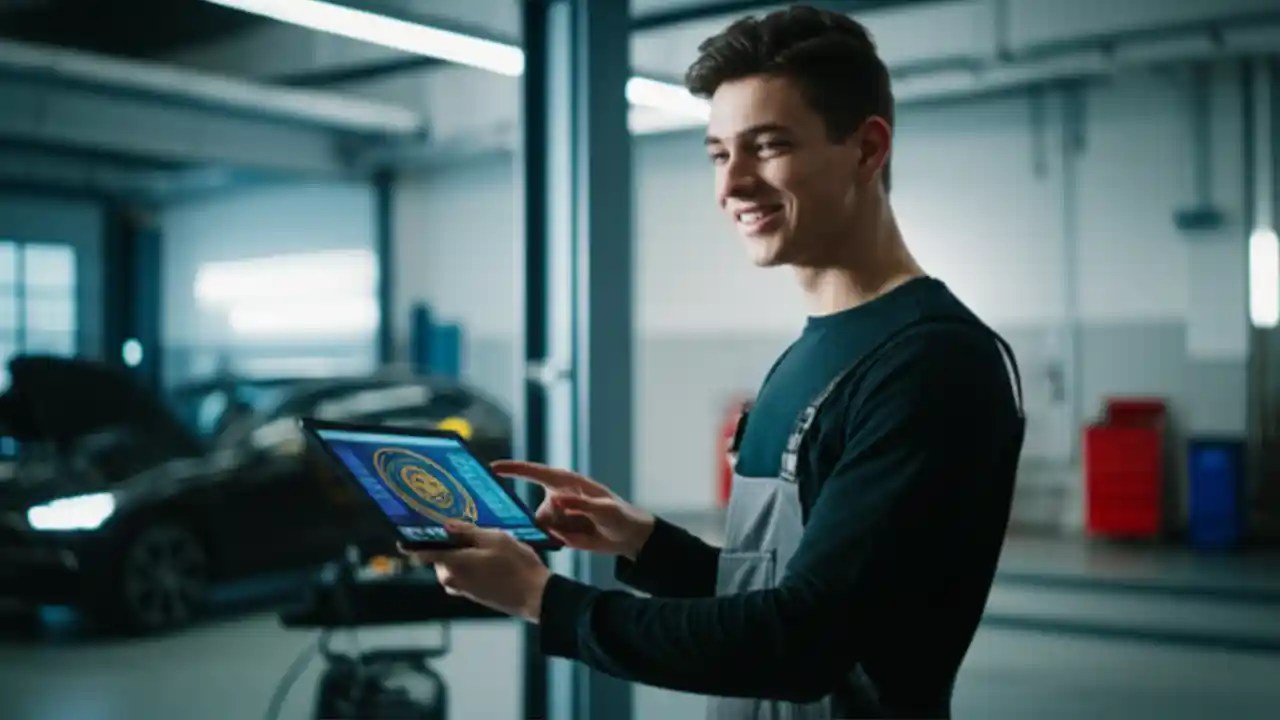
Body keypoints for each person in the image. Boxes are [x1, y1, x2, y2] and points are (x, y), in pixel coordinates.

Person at [407, 5, 1025, 718]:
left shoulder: (932, 363)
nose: (731, 185)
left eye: (767, 146)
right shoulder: (811, 352)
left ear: (866, 148)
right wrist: (644, 541)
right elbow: (776, 594)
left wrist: (545, 601)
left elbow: (804, 641)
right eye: (718, 153)